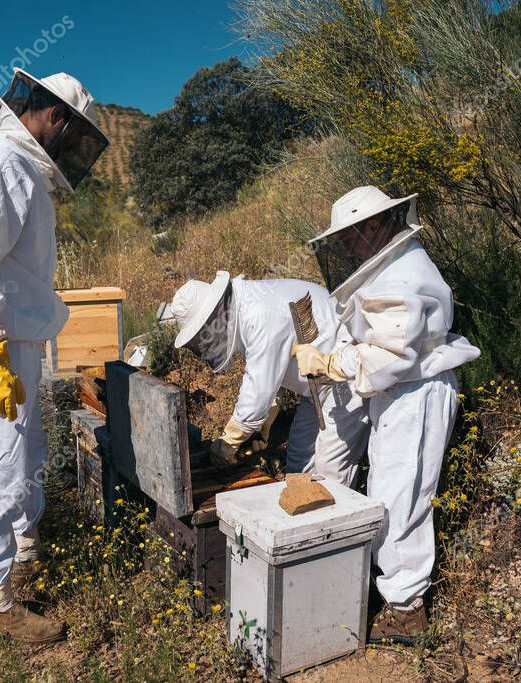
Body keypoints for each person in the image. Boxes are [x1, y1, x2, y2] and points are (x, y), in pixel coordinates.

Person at [0, 67, 108, 646]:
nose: (72, 148)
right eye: (74, 134)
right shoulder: (4, 166)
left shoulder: (20, 168)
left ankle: (20, 552)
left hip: (14, 340)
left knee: (24, 452)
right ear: (56, 117)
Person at [291, 186, 480, 644]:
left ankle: (405, 609)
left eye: (350, 239)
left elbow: (392, 353)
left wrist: (332, 365)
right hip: (400, 392)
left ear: (372, 227)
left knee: (401, 497)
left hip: (415, 392)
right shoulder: (393, 266)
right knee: (388, 490)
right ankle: (393, 594)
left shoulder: (402, 273)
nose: (348, 249)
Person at [171, 273, 369, 484]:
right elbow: (276, 369)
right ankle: (306, 514)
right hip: (316, 387)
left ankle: (340, 515)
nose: (206, 340)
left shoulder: (259, 314)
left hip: (344, 380)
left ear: (213, 317)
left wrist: (229, 440)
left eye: (204, 332)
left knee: (330, 467)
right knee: (299, 462)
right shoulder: (249, 308)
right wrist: (264, 421)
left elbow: (258, 389)